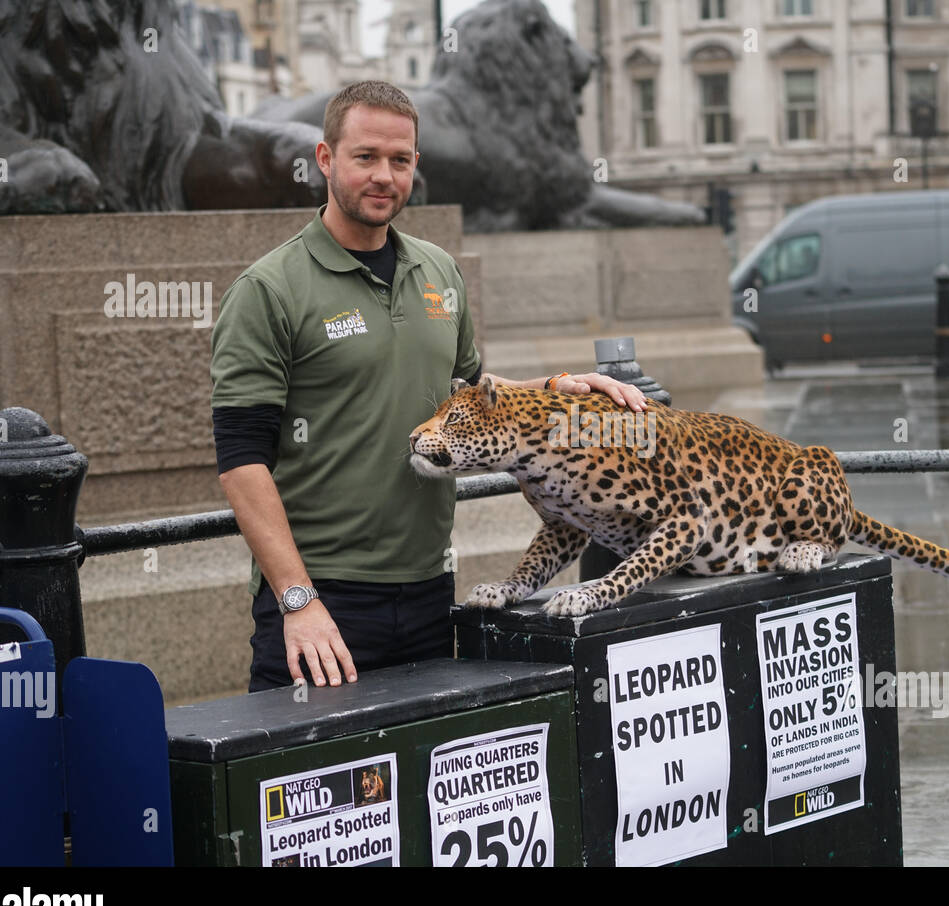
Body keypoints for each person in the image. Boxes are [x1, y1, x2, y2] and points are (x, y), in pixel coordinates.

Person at [210, 81, 646, 693]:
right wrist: (297, 601)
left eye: (400, 159)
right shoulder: (268, 290)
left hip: (430, 591)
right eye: (365, 157)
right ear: (326, 159)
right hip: (325, 600)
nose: (384, 175)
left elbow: (470, 395)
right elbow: (241, 463)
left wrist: (555, 386)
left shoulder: (440, 271)